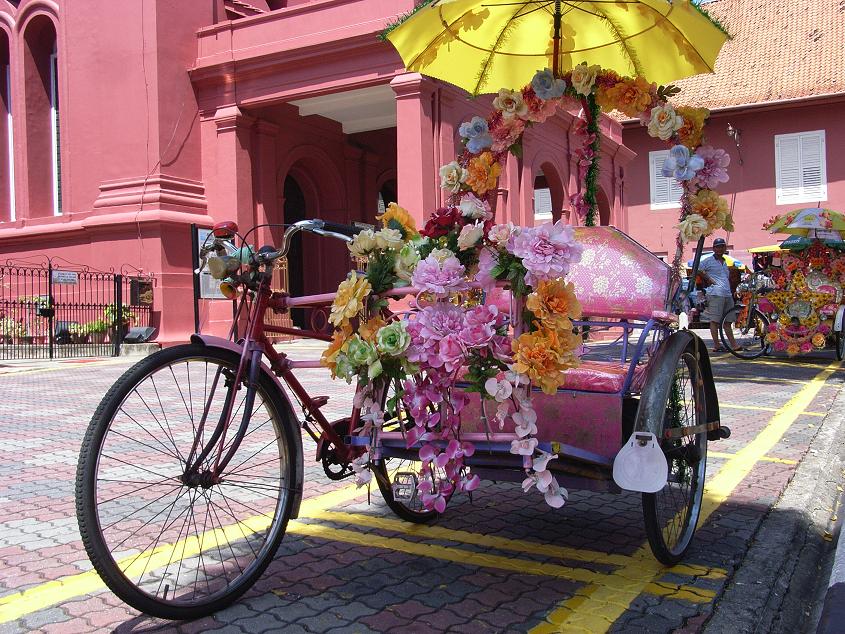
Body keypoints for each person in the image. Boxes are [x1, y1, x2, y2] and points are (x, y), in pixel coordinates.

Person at [698, 237, 739, 352]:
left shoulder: (725, 261)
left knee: (728, 321)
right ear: (713, 249)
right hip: (715, 293)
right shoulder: (708, 260)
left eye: (722, 246)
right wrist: (708, 279)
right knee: (715, 321)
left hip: (727, 294)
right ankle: (717, 344)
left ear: (725, 248)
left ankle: (734, 345)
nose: (720, 249)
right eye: (717, 247)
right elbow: (698, 269)